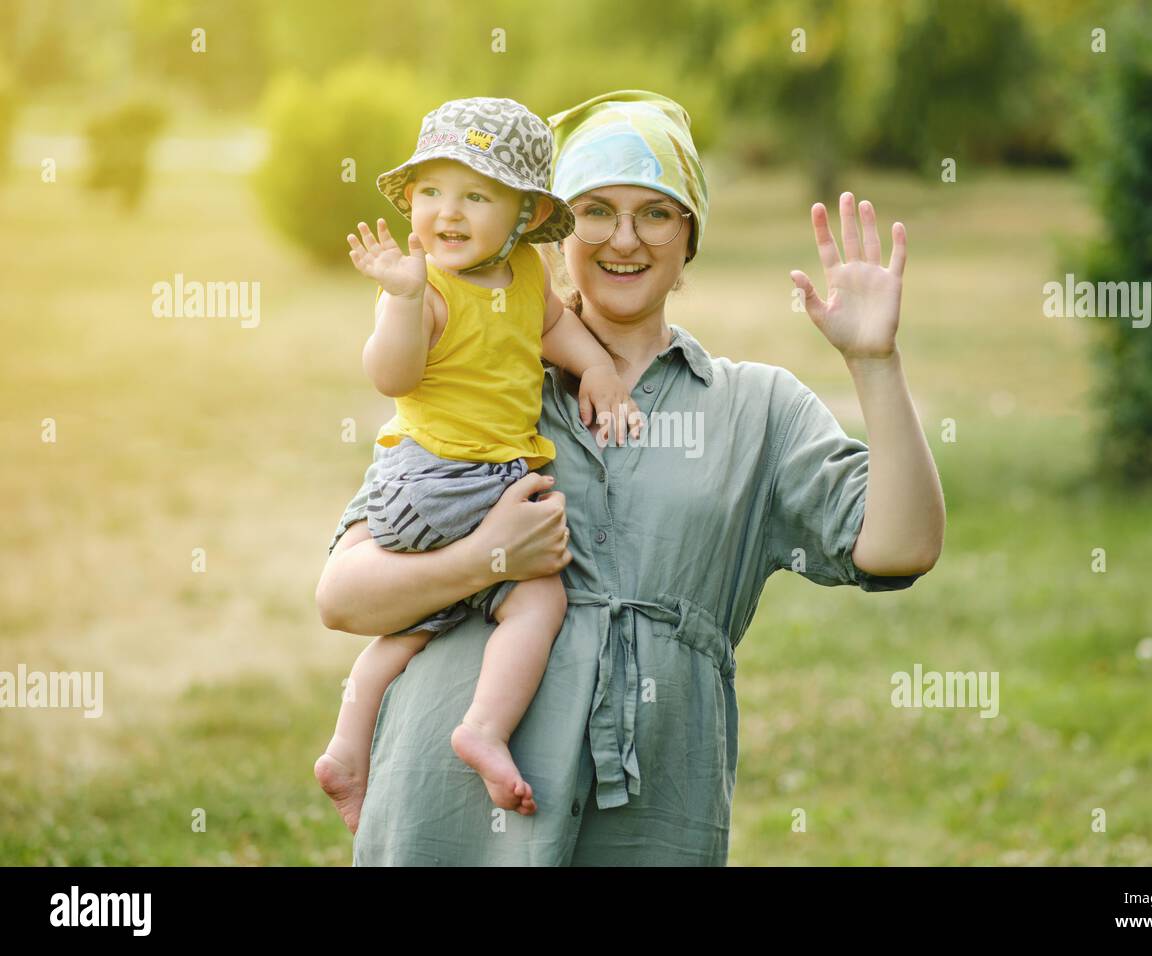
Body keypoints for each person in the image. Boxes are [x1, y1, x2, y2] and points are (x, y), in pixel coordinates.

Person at [315, 90, 945, 865]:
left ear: (689, 240)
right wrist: (488, 559)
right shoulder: (480, 380)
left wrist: (875, 364)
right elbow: (342, 598)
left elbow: (902, 547)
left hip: (651, 820)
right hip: (445, 816)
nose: (624, 238)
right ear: (548, 232)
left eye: (656, 212)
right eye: (595, 210)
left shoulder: (755, 407)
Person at [314, 97, 641, 834]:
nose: (446, 212)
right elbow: (392, 377)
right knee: (538, 599)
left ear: (525, 216)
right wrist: (399, 302)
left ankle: (346, 746)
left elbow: (554, 325)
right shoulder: (425, 287)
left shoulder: (524, 272)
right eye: (430, 191)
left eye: (474, 194)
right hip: (436, 480)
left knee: (418, 622)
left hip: (469, 484)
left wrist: (597, 370)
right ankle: (484, 729)